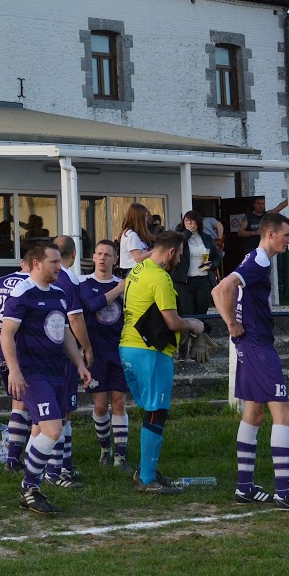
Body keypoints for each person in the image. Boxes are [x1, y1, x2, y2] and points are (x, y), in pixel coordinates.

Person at [214, 212, 289, 511]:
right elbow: (221, 289)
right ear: (271, 234)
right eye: (286, 235)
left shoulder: (254, 258)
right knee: (285, 415)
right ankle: (285, 492)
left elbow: (222, 288)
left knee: (253, 412)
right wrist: (231, 324)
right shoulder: (259, 260)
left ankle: (245, 487)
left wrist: (235, 327)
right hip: (257, 345)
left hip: (250, 344)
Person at [0, 240, 93, 513]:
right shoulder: (22, 292)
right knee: (53, 429)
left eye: (59, 261)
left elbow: (63, 331)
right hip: (33, 374)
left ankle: (32, 485)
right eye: (53, 262)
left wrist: (79, 363)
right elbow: (7, 334)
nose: (59, 266)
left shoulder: (58, 294)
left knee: (44, 429)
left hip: (57, 371)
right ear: (37, 263)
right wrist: (14, 371)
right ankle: (29, 487)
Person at [119, 232, 203, 494]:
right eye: (179, 254)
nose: (179, 259)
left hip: (128, 347)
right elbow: (172, 321)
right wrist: (194, 325)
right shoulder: (160, 276)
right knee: (156, 412)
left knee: (150, 411)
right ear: (170, 252)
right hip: (150, 353)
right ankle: (146, 479)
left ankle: (147, 470)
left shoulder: (138, 268)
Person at [80, 240, 130, 469]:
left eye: (107, 254)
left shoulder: (125, 284)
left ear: (115, 259)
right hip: (95, 353)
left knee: (119, 403)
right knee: (100, 405)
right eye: (98, 253)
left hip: (120, 351)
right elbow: (90, 306)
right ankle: (105, 450)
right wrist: (118, 290)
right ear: (93, 256)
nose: (102, 258)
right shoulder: (85, 283)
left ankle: (120, 456)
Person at [46, 236, 92, 485]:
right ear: (73, 254)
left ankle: (63, 465)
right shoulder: (68, 279)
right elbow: (74, 320)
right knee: (61, 413)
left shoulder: (43, 281)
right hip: (59, 357)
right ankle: (56, 470)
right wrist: (86, 349)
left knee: (60, 413)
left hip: (49, 356)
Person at [0, 255, 33, 470]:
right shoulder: (35, 285)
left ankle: (13, 450)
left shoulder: (0, 281)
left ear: (23, 261)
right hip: (22, 349)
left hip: (4, 349)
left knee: (17, 400)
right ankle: (14, 456)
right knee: (22, 403)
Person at [173, 211, 221, 333]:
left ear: (198, 222)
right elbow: (176, 246)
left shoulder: (206, 238)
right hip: (185, 281)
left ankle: (199, 342)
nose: (190, 223)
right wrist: (187, 233)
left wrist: (211, 265)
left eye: (192, 221)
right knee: (186, 313)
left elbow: (217, 257)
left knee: (201, 313)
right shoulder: (180, 237)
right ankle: (186, 342)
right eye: (187, 221)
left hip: (203, 280)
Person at [117, 203, 154, 272]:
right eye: (145, 217)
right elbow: (138, 258)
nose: (146, 220)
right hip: (134, 270)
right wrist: (155, 251)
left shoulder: (132, 234)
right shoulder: (132, 235)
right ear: (140, 218)